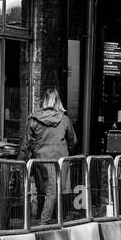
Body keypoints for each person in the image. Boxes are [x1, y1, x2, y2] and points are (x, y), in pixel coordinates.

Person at [19, 88, 77, 225]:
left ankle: (41, 217)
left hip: (39, 159)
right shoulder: (64, 120)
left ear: (44, 100)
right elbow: (73, 141)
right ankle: (43, 223)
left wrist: (19, 163)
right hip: (58, 161)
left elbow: (25, 144)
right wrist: (70, 152)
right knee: (52, 191)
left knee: (41, 190)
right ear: (58, 101)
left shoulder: (34, 119)